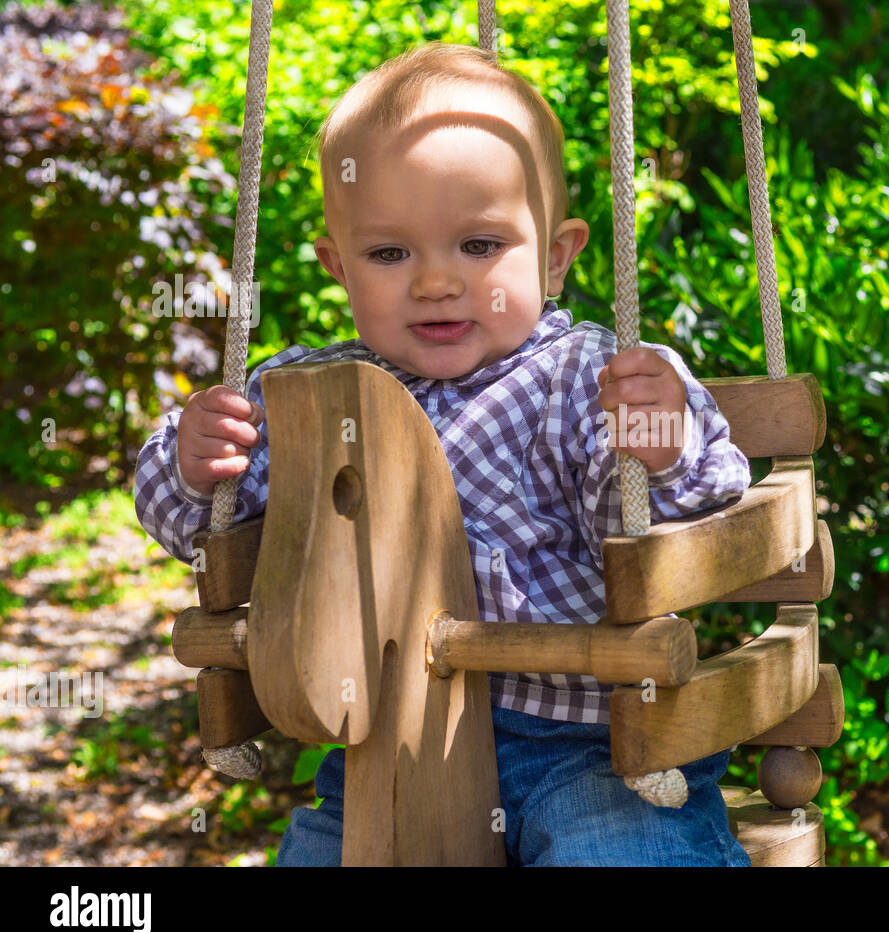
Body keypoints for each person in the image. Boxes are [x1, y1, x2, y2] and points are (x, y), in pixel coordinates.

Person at [133, 41, 753, 866]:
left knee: (615, 852)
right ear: (339, 267)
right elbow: (201, 527)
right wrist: (190, 463)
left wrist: (661, 443)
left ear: (558, 255)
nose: (434, 282)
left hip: (594, 746)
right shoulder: (312, 392)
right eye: (390, 254)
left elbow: (656, 524)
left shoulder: (585, 379)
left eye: (479, 245)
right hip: (389, 749)